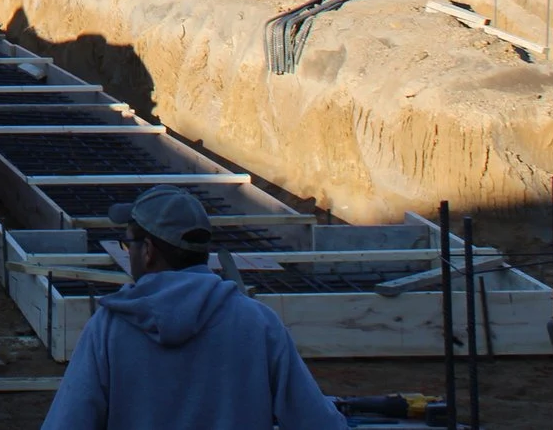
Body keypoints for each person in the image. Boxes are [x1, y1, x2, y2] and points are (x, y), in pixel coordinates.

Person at [42, 184, 345, 430]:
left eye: (129, 243)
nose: (128, 252)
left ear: (147, 251)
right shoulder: (258, 323)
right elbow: (318, 422)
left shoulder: (108, 328)